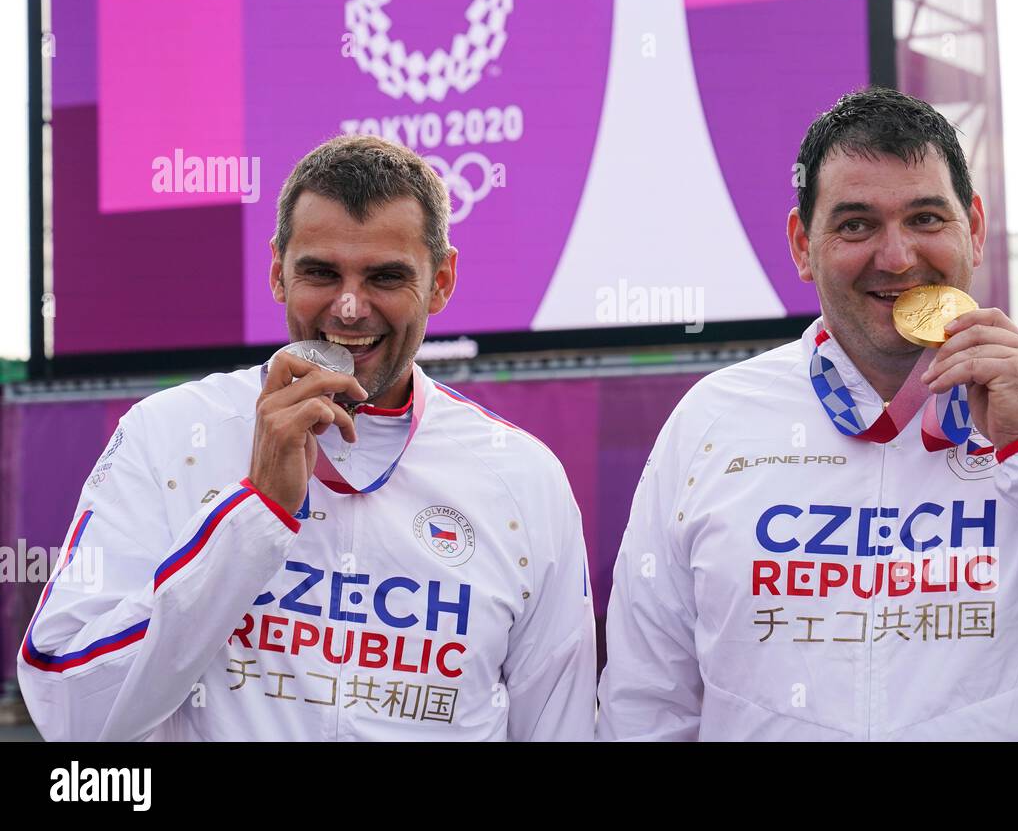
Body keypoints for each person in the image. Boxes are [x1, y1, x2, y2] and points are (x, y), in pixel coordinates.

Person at [596, 87, 1018, 741]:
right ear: (804, 245)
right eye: (856, 224)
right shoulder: (714, 418)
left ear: (972, 228)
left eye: (925, 218)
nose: (897, 257)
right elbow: (646, 700)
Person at [19, 136, 596, 741]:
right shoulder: (166, 436)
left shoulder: (522, 478)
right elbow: (69, 707)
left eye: (386, 276)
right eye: (320, 272)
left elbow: (559, 729)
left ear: (442, 281)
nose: (349, 307)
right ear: (277, 272)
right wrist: (252, 514)